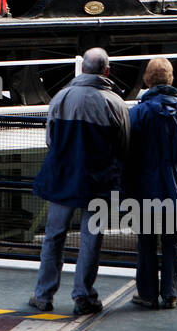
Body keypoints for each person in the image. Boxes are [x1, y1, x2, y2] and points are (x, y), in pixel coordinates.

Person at [28, 47, 130, 315]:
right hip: (98, 182)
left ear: (81, 68)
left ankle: (43, 295)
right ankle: (84, 296)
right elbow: (123, 146)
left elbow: (50, 139)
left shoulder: (61, 97)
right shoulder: (115, 103)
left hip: (62, 178)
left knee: (54, 237)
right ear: (106, 71)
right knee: (90, 239)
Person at [124, 58, 177, 310]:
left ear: (147, 79)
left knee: (147, 240)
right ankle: (171, 293)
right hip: (176, 185)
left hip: (147, 184)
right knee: (172, 240)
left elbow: (130, 149)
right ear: (170, 78)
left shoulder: (138, 112)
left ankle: (147, 294)